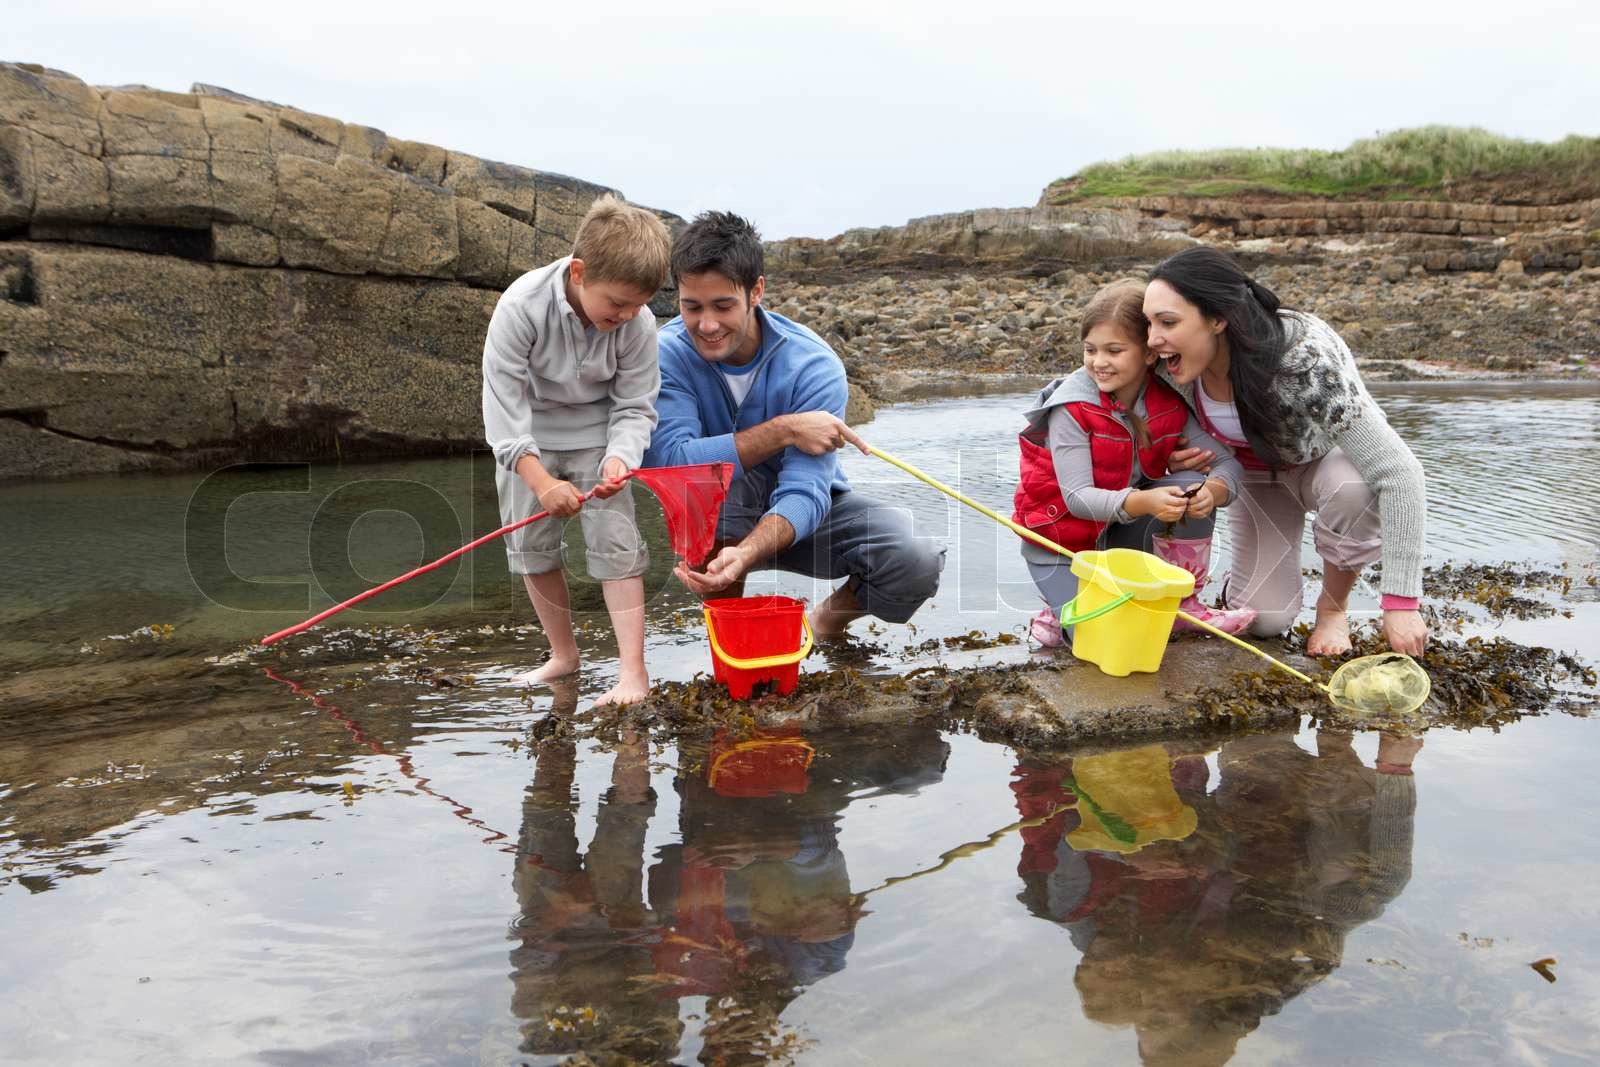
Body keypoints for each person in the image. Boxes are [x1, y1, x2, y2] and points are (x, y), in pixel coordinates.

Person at [643, 210, 944, 635]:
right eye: (691, 307)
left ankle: (823, 623)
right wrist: (785, 429)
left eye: (723, 306)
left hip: (806, 520)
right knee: (704, 489)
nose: (706, 325)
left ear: (756, 291)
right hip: (717, 515)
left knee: (915, 558)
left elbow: (805, 490)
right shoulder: (666, 353)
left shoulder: (814, 365)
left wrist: (748, 553)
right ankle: (728, 641)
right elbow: (674, 464)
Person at [1144, 247, 1428, 656]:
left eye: (1168, 322)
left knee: (1354, 487)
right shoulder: (1168, 366)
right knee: (1264, 622)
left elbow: (1400, 473)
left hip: (1323, 464)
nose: (1153, 339)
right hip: (1254, 480)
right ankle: (1241, 588)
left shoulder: (1302, 359)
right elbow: (1105, 398)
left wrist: (1401, 604)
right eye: (1149, 323)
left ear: (1218, 319)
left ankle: (1333, 609)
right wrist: (1167, 453)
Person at [482, 194, 670, 704]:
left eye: (638, 304)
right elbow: (503, 410)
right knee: (532, 551)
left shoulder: (639, 323)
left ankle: (634, 672)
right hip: (529, 439)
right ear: (581, 272)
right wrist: (540, 482)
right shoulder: (521, 306)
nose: (628, 314)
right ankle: (564, 657)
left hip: (600, 434)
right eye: (618, 303)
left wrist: (620, 458)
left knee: (618, 549)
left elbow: (635, 406)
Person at [1011, 279, 1252, 648]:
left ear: (1149, 354)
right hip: (1061, 544)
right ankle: (1057, 610)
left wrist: (1215, 491)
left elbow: (1228, 464)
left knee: (1189, 481)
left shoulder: (1166, 404)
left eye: (1114, 350)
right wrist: (1142, 502)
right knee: (1103, 639)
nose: (1099, 362)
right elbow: (1077, 497)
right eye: (1090, 350)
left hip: (1117, 535)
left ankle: (1183, 604)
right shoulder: (1071, 408)